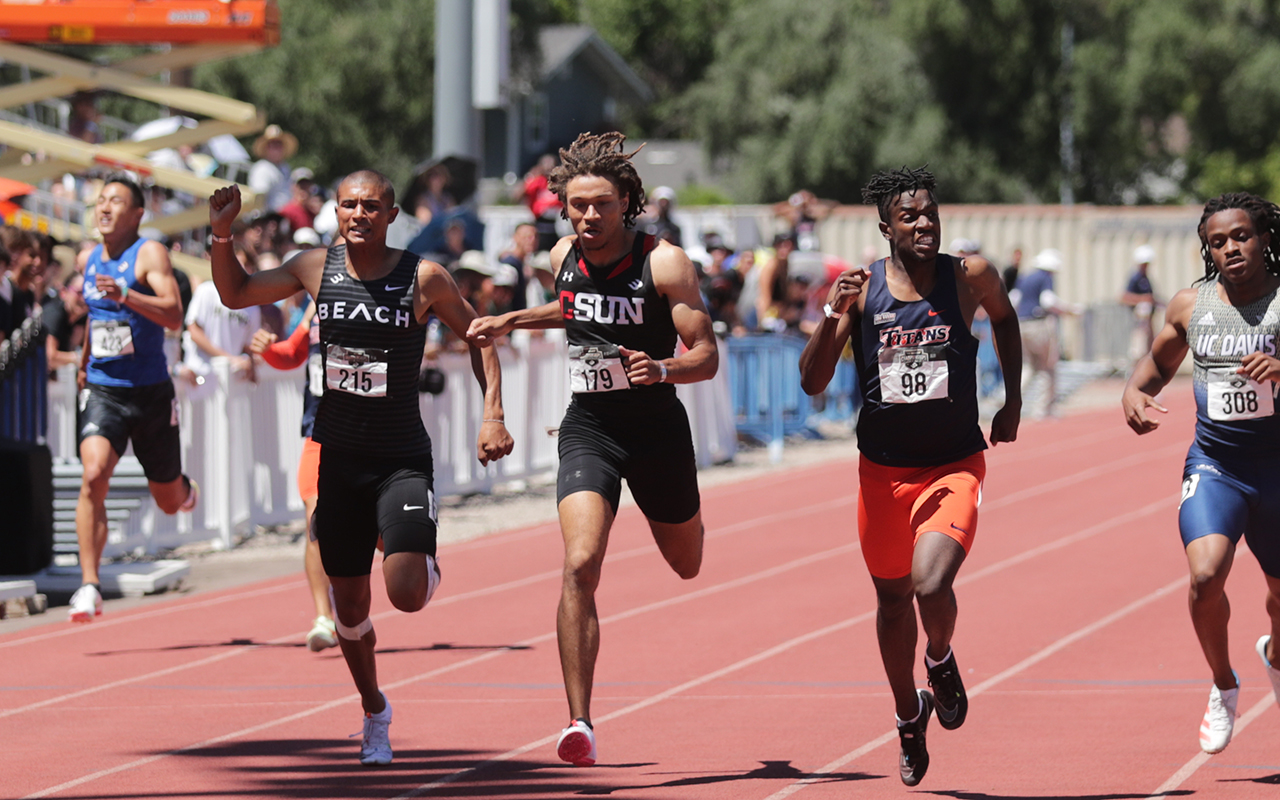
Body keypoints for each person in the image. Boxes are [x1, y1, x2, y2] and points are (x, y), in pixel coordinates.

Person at [206, 171, 513, 766]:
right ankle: (375, 710)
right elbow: (236, 293)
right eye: (348, 204)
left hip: (399, 456)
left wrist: (492, 414)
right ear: (335, 211)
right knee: (349, 611)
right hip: (338, 459)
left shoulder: (422, 277)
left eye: (371, 206)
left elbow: (478, 336)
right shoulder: (313, 268)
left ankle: (420, 558)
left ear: (391, 214)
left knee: (405, 594)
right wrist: (221, 237)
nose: (358, 214)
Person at [467, 132, 719, 768]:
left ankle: (682, 515)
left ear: (626, 202)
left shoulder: (665, 264)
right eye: (577, 206)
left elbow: (706, 356)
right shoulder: (561, 255)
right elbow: (572, 307)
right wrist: (510, 321)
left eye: (602, 204)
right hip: (591, 426)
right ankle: (579, 720)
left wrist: (662, 369)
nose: (588, 217)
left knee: (686, 564)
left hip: (657, 430)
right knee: (580, 562)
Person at [798, 166, 1021, 787]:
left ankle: (941, 659)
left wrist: (1013, 400)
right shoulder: (863, 288)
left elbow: (1004, 320)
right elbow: (812, 382)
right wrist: (830, 316)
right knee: (891, 602)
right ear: (885, 226)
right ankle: (906, 713)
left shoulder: (968, 276)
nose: (923, 224)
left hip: (953, 463)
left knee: (929, 584)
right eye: (909, 217)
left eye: (930, 214)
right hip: (881, 475)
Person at [1122, 191, 1280, 756]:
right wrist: (1135, 393)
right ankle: (1223, 683)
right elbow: (1158, 364)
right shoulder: (1193, 304)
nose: (1231, 248)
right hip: (1218, 465)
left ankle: (1274, 656)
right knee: (1205, 577)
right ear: (1207, 249)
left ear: (1263, 237)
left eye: (1241, 236)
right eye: (1218, 241)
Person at [72, 176, 196, 623]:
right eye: (100, 200)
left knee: (167, 499)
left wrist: (128, 294)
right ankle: (89, 584)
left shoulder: (149, 253)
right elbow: (96, 318)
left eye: (115, 201)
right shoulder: (88, 257)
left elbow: (175, 315)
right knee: (93, 474)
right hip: (104, 389)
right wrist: (84, 361)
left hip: (149, 393)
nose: (104, 208)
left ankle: (183, 488)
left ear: (137, 213)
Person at [249, 303, 338, 652]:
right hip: (320, 431)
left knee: (368, 531)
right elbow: (293, 353)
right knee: (316, 523)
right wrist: (269, 348)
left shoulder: (377, 296)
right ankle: (323, 617)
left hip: (368, 430)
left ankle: (352, 603)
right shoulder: (317, 305)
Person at [1010, 248, 1075, 418]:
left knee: (1028, 367)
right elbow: (1047, 301)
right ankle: (1043, 409)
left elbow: (1013, 299)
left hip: (1022, 325)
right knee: (1048, 367)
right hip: (1039, 325)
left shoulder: (1024, 278)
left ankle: (1009, 401)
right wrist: (1069, 310)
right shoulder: (1045, 278)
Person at [1122, 244, 1159, 366]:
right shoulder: (1135, 278)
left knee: (1148, 346)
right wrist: (1143, 299)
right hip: (1139, 319)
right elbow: (1124, 297)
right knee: (1139, 347)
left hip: (1148, 320)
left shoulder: (1146, 278)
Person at [248, 124, 298, 212]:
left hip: (286, 216)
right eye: (273, 144)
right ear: (266, 148)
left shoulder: (285, 167)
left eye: (279, 144)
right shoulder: (262, 168)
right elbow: (260, 200)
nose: (277, 148)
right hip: (270, 219)